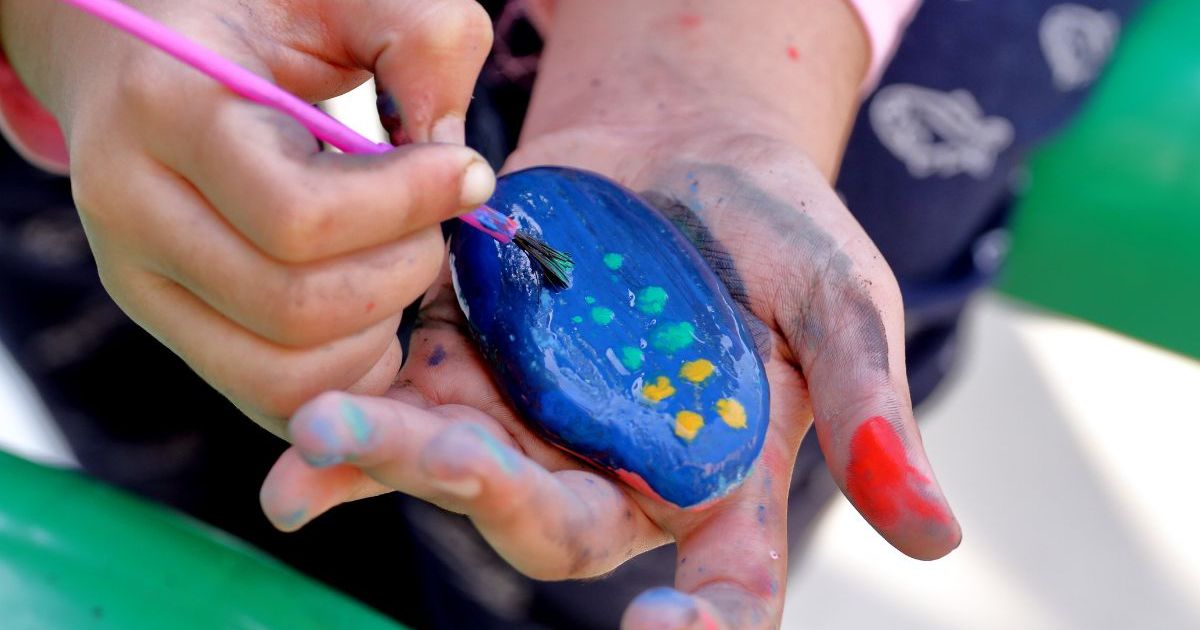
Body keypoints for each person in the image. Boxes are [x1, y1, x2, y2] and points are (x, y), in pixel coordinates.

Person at [0, 0, 1140, 628]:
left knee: (558, 592)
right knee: (194, 466)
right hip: (151, 86)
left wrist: (711, 46)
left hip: (834, 76)